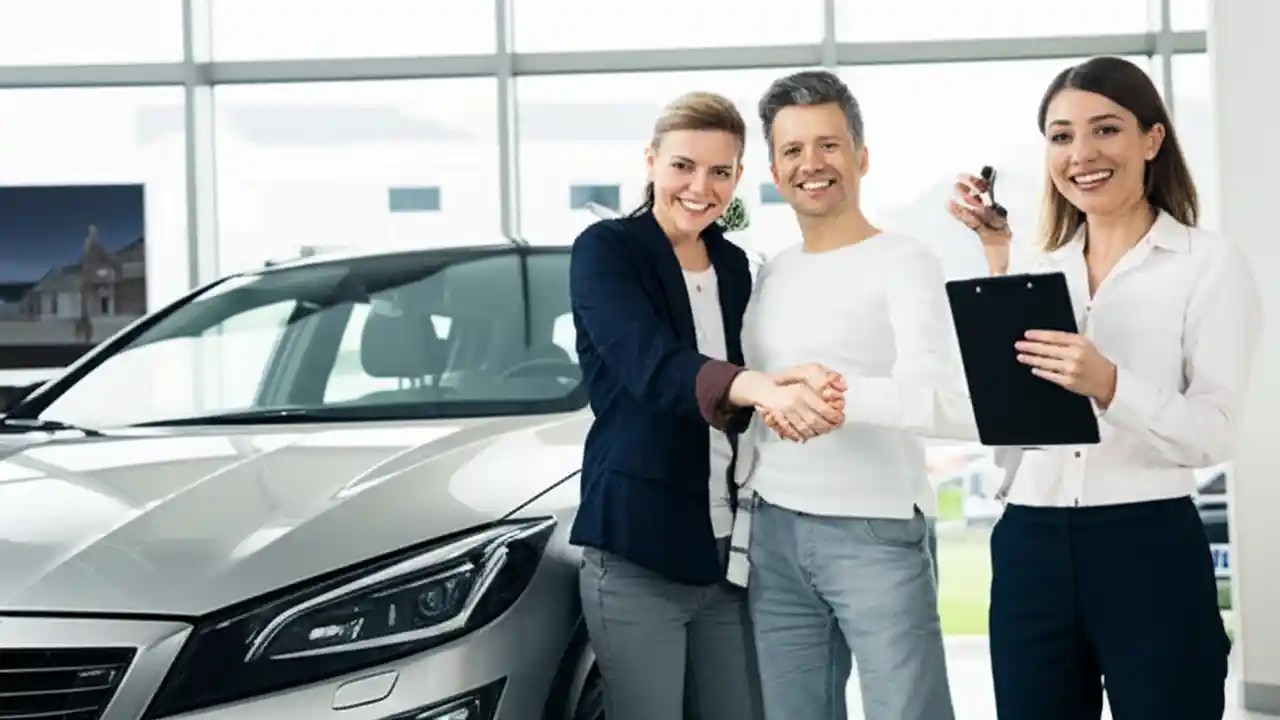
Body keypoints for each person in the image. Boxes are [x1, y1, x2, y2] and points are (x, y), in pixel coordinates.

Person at [947, 55, 1262, 719]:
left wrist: (1111, 385)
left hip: (1148, 543)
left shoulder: (1208, 265)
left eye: (1106, 129)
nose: (1081, 154)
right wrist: (1001, 263)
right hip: (1030, 542)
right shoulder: (1036, 267)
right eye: (1061, 136)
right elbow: (1006, 414)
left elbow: (1216, 434)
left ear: (1152, 139)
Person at [567, 90, 845, 720]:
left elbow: (746, 376)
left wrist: (787, 382)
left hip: (730, 554)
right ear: (651, 162)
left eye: (720, 171)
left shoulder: (734, 265)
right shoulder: (608, 251)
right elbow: (653, 366)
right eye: (683, 166)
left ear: (739, 176)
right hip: (638, 549)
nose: (701, 187)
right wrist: (761, 387)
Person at [731, 69, 978, 720]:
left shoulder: (905, 260)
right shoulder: (772, 273)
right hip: (773, 531)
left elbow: (935, 396)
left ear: (861, 156)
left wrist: (829, 396)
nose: (811, 164)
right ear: (775, 170)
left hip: (875, 531)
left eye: (828, 145)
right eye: (792, 150)